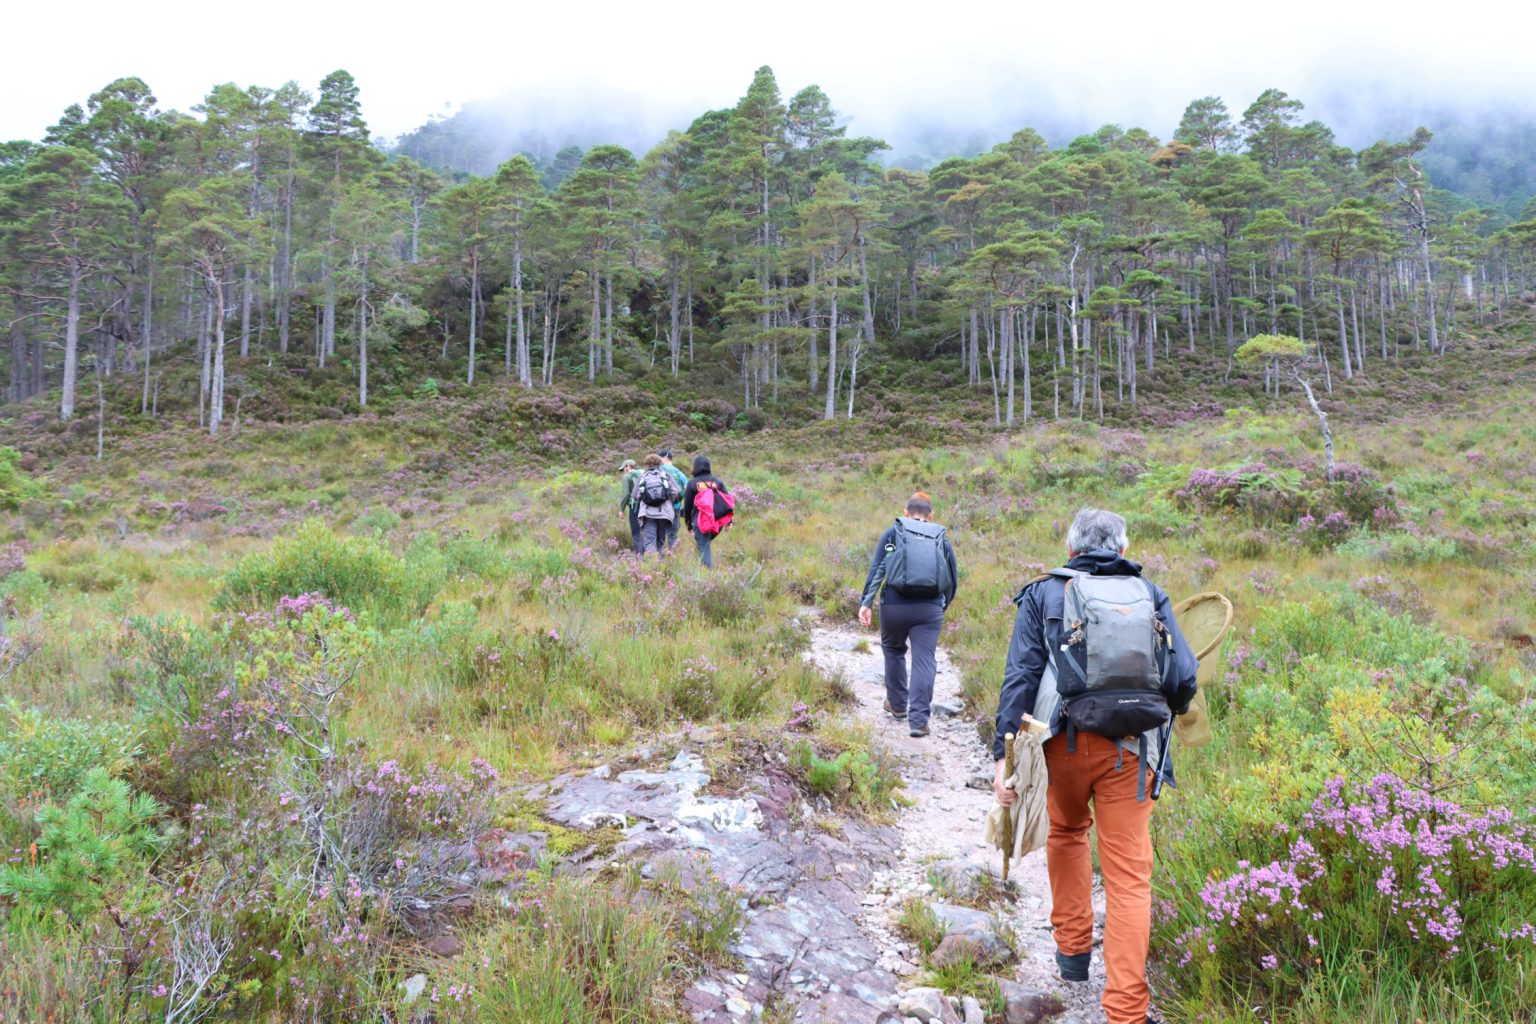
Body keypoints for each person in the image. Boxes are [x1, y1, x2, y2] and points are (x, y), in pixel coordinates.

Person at [992, 509, 1197, 1024]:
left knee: (1066, 832)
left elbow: (1021, 675)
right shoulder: (1148, 592)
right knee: (1128, 879)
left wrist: (1003, 756)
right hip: (1131, 749)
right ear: (1122, 550)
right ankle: (1126, 1010)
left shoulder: (1043, 593)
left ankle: (1073, 951)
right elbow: (1182, 678)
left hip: (1061, 742)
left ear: (1070, 550)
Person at [857, 492, 959, 739]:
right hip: (929, 609)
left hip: (894, 605)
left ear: (905, 512)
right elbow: (952, 577)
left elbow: (879, 567)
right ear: (930, 515)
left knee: (893, 651)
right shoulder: (940, 537)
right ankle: (919, 722)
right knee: (924, 659)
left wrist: (866, 603)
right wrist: (941, 606)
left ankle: (897, 705)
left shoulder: (893, 533)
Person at [680, 455, 730, 569]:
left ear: (695, 467)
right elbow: (727, 502)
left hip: (700, 522)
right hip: (717, 522)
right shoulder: (718, 482)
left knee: (703, 545)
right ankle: (700, 566)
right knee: (703, 544)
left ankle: (707, 572)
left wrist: (688, 525)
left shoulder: (692, 483)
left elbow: (687, 507)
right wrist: (729, 521)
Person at [630, 454, 680, 559]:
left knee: (650, 541)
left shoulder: (642, 477)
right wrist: (668, 501)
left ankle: (652, 565)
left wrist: (645, 498)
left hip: (647, 514)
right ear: (659, 463)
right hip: (664, 513)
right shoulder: (666, 475)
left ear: (646, 464)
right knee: (660, 541)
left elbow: (635, 495)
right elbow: (676, 491)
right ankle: (659, 562)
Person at [658, 450, 689, 550]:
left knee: (660, 535)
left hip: (660, 508)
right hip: (675, 506)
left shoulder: (657, 470)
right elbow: (687, 488)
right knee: (672, 535)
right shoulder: (678, 472)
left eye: (659, 458)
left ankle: (659, 556)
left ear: (665, 458)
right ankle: (673, 554)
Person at [617, 458, 641, 552]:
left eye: (624, 468)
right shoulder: (642, 474)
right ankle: (650, 553)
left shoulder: (627, 477)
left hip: (635, 507)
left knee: (636, 531)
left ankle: (638, 554)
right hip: (647, 506)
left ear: (628, 466)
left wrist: (621, 509)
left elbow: (626, 494)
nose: (624, 470)